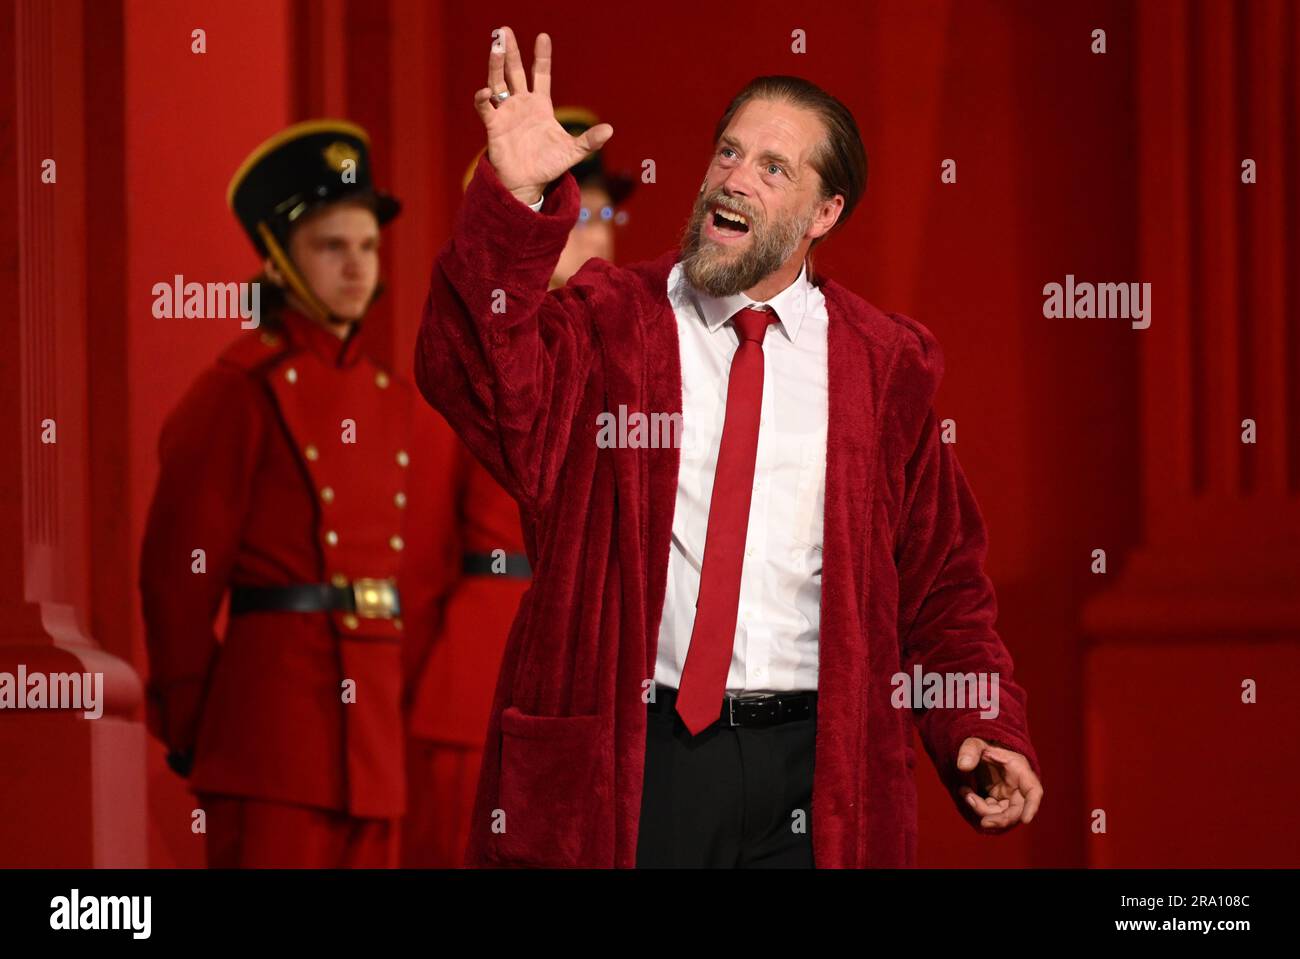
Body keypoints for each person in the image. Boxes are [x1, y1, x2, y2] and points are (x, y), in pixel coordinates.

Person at [417, 26, 1044, 868]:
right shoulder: (611, 321)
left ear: (826, 214)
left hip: (810, 776)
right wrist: (514, 204)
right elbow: (471, 376)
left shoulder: (882, 366)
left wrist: (981, 721)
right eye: (728, 153)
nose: (736, 177)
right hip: (641, 760)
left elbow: (943, 588)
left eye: (773, 168)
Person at [140, 119, 461, 868]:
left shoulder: (394, 399)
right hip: (270, 740)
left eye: (367, 247)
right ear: (278, 261)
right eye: (330, 246)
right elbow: (176, 582)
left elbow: (418, 573)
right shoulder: (236, 392)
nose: (356, 267)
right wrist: (196, 724)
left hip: (374, 745)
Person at [403, 107, 634, 868]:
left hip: (601, 676)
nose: (597, 231)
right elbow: (424, 555)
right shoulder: (474, 360)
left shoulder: (634, 353)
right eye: (575, 211)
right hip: (480, 678)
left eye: (604, 214)